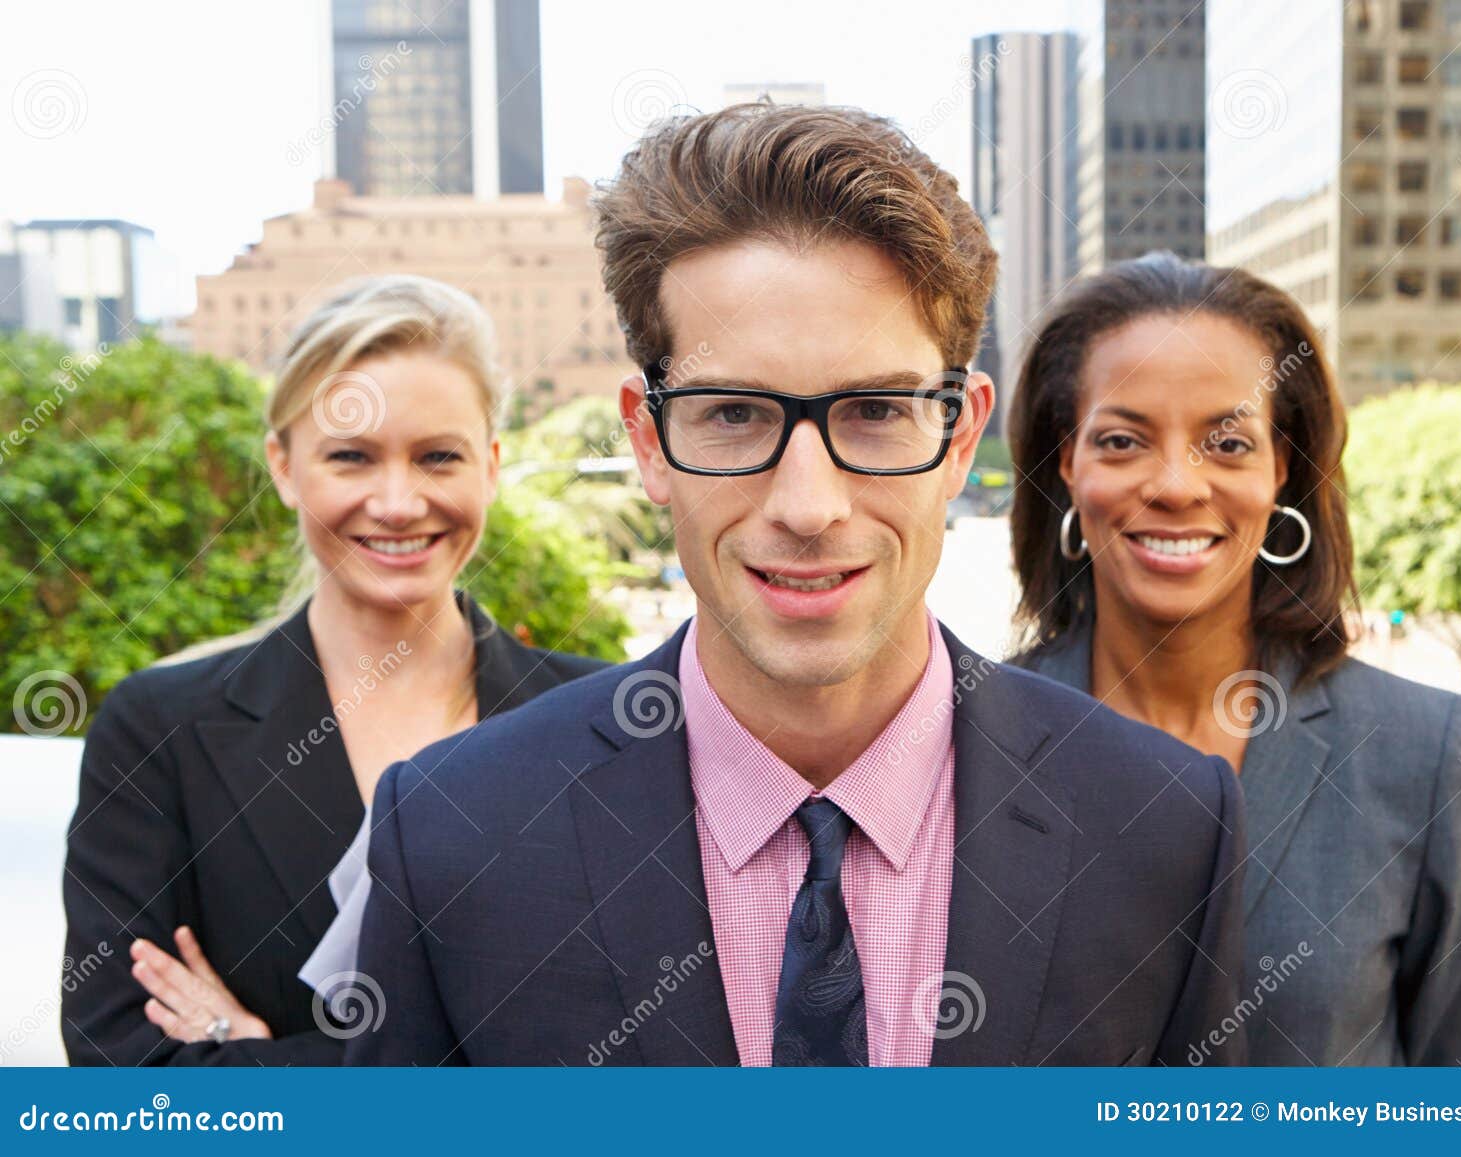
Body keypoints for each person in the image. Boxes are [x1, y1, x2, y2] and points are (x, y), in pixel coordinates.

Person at [346, 105, 1247, 1068]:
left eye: (874, 410)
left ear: (962, 436)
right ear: (649, 441)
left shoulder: (1167, 828)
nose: (809, 505)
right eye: (733, 412)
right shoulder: (453, 832)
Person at [61, 275, 606, 1065]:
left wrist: (251, 1052)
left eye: (437, 456)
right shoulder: (158, 732)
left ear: (489, 465)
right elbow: (122, 1077)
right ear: (283, 467)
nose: (396, 501)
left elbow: (637, 1050)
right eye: (351, 456)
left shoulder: (597, 716)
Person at [1009, 251, 1461, 1065]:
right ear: (1066, 462)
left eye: (1227, 442)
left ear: (1282, 469)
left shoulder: (1424, 753)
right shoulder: (975, 740)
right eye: (1121, 439)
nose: (1177, 484)